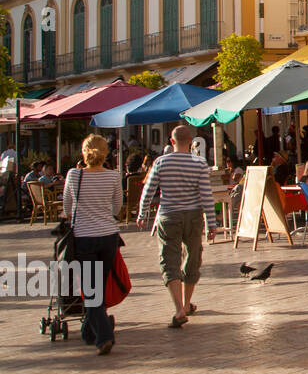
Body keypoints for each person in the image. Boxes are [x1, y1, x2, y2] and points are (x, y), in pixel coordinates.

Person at [138, 125, 214, 330]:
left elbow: (148, 190)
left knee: (169, 259)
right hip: (193, 215)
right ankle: (187, 302)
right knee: (192, 257)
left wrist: (142, 213)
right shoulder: (199, 163)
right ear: (192, 142)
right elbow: (206, 195)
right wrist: (212, 222)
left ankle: (179, 308)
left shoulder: (161, 162)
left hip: (168, 215)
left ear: (171, 142)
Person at [63, 135, 124, 356]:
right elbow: (117, 207)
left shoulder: (74, 175)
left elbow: (67, 208)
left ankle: (105, 335)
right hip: (109, 236)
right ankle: (89, 331)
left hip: (84, 237)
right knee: (98, 287)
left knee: (90, 291)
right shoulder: (113, 176)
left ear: (84, 152)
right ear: (105, 153)